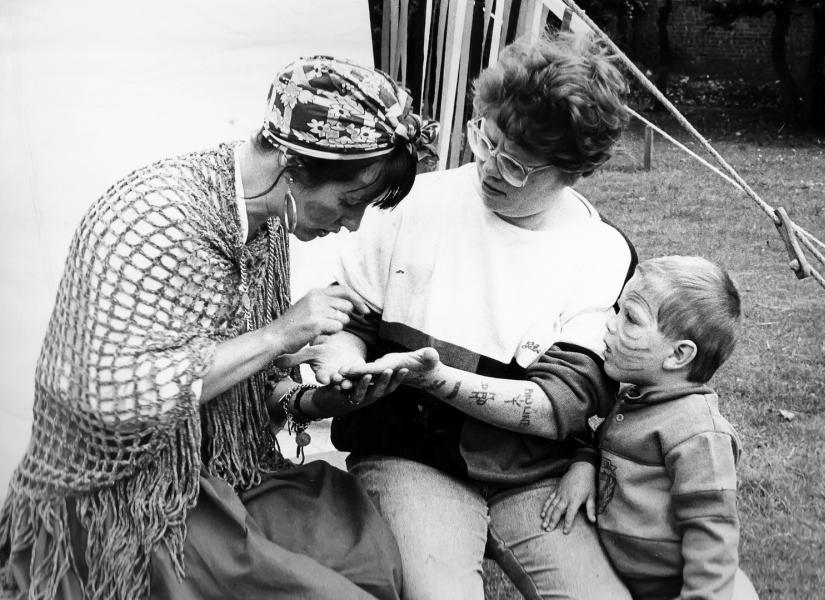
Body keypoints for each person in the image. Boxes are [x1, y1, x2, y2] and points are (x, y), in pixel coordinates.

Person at [0, 56, 436, 600]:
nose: (352, 223)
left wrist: (316, 401)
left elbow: (245, 399)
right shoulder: (150, 221)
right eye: (350, 202)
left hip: (230, 470)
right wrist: (277, 336)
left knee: (367, 560)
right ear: (294, 163)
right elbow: (114, 401)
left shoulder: (268, 219)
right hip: (135, 495)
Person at [293, 33, 637, 599]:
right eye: (485, 139)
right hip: (412, 454)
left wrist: (435, 378)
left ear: (573, 171)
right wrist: (343, 361)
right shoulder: (411, 204)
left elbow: (560, 406)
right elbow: (349, 321)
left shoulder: (601, 252)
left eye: (517, 165)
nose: (490, 168)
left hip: (534, 473)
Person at [539, 256, 759, 600]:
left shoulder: (700, 435)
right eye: (618, 310)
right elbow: (604, 443)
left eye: (630, 318)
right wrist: (585, 464)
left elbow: (712, 536)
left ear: (678, 355)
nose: (610, 324)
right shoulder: (638, 399)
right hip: (628, 579)